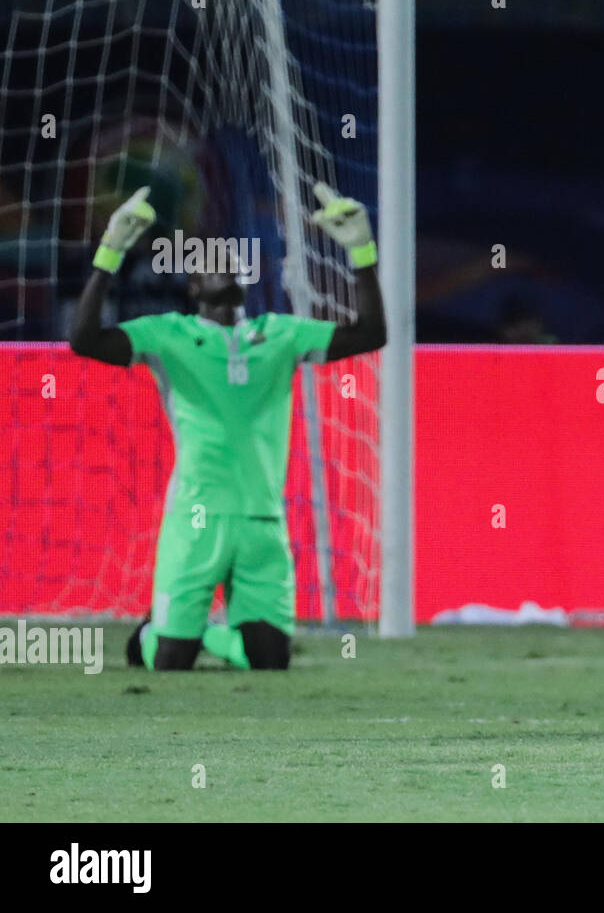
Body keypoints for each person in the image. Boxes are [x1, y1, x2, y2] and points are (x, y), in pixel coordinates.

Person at [69, 183, 387, 670]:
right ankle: (156, 634)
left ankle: (210, 637)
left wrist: (361, 254)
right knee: (169, 662)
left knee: (270, 662)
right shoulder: (170, 334)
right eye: (207, 259)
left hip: (262, 519)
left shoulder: (280, 334)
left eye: (231, 257)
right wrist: (109, 254)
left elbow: (371, 333)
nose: (223, 262)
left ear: (247, 273)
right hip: (196, 517)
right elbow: (85, 339)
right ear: (192, 285)